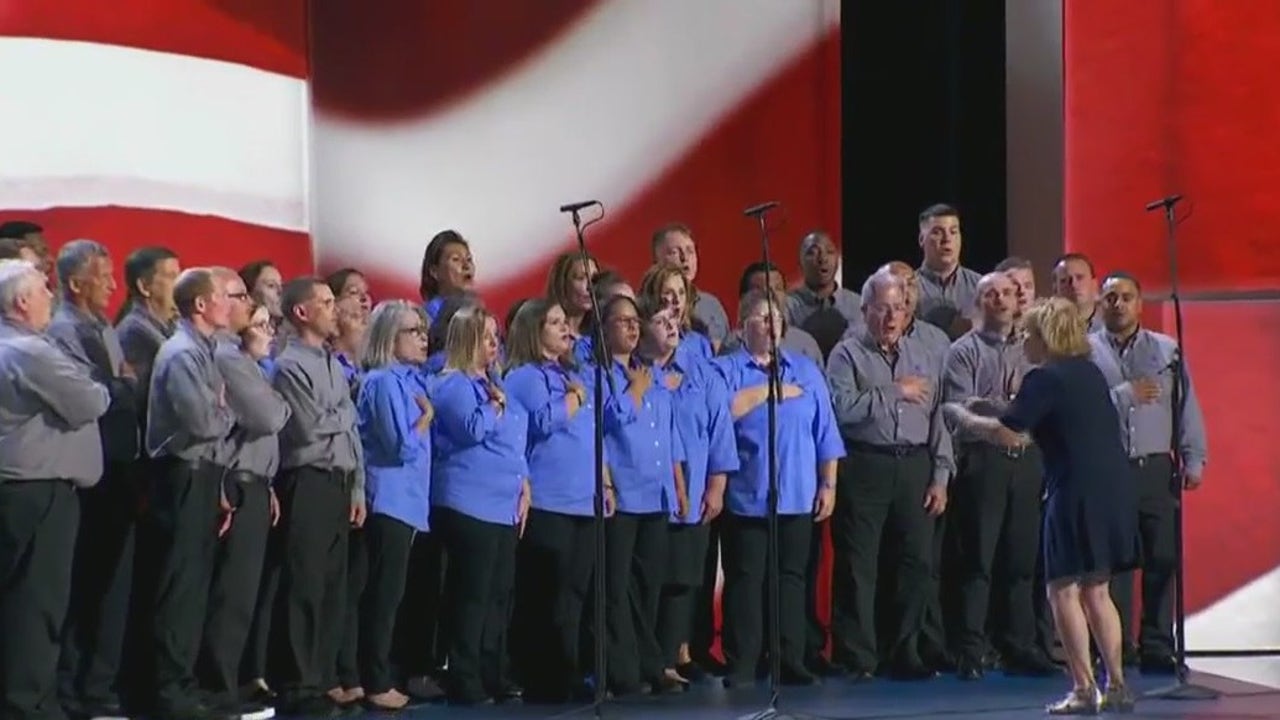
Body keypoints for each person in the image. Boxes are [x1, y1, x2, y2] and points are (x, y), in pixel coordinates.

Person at [944, 297, 1139, 714]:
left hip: (1074, 490)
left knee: (1062, 589)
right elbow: (1040, 418)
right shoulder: (1088, 372)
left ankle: (1084, 688)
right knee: (1097, 589)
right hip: (1112, 487)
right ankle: (1118, 684)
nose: (1023, 341)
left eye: (1028, 334)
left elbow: (1009, 435)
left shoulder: (1043, 377)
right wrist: (995, 407)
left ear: (1045, 336)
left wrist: (960, 416)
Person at [713, 288, 843, 688]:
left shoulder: (805, 370)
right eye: (761, 318)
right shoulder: (726, 369)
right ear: (742, 325)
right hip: (747, 493)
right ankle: (743, 662)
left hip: (798, 492)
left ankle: (790, 659)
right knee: (746, 579)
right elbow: (723, 414)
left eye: (776, 318)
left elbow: (826, 432)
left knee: (792, 579)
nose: (771, 326)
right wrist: (772, 393)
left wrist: (829, 483)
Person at [0, 258, 110, 720]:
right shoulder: (31, 352)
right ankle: (30, 706)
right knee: (37, 606)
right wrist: (103, 383)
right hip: (39, 494)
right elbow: (91, 400)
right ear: (22, 302)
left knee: (23, 601)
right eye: (45, 290)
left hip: (20, 494)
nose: (52, 296)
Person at [504, 298, 614, 701]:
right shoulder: (524, 378)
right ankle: (544, 675)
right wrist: (574, 399)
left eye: (566, 322)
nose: (567, 329)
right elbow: (540, 423)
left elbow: (593, 435)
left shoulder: (575, 375)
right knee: (548, 594)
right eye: (554, 323)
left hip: (584, 498)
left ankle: (569, 669)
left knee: (576, 594)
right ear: (534, 331)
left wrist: (605, 482)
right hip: (550, 500)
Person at [428, 306, 530, 705]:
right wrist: (495, 406)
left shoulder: (495, 383)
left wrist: (524, 483)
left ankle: (494, 670)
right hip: (469, 502)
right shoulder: (452, 385)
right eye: (486, 337)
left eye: (495, 338)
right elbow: (471, 430)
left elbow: (515, 438)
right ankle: (464, 675)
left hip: (504, 504)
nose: (494, 345)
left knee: (499, 594)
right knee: (472, 594)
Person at [354, 300, 434, 711]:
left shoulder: (412, 383)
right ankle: (374, 678)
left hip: (409, 502)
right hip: (388, 500)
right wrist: (424, 420)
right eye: (412, 331)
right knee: (383, 596)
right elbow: (399, 446)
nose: (423, 338)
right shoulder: (384, 382)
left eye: (423, 330)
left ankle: (375, 672)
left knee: (393, 594)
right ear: (390, 337)